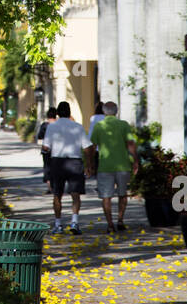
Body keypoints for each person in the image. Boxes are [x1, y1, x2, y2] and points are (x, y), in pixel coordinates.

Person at [42, 100, 94, 234]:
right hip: (75, 162)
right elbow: (87, 148)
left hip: (57, 162)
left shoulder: (51, 127)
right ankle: (74, 223)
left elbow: (46, 147)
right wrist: (89, 165)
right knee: (75, 194)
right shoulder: (78, 126)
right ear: (70, 112)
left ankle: (58, 225)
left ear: (58, 113)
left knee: (57, 194)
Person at [91, 100, 139, 234]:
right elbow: (130, 143)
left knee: (106, 197)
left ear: (104, 112)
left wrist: (89, 164)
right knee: (122, 194)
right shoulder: (123, 125)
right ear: (116, 112)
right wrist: (135, 160)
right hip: (122, 165)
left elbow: (92, 146)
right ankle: (120, 220)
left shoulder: (99, 126)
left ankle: (110, 224)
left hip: (105, 166)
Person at [35, 106, 57, 190]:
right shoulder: (58, 125)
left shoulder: (44, 125)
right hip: (57, 149)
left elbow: (40, 136)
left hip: (46, 149)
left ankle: (49, 186)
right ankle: (55, 185)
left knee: (47, 167)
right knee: (56, 167)